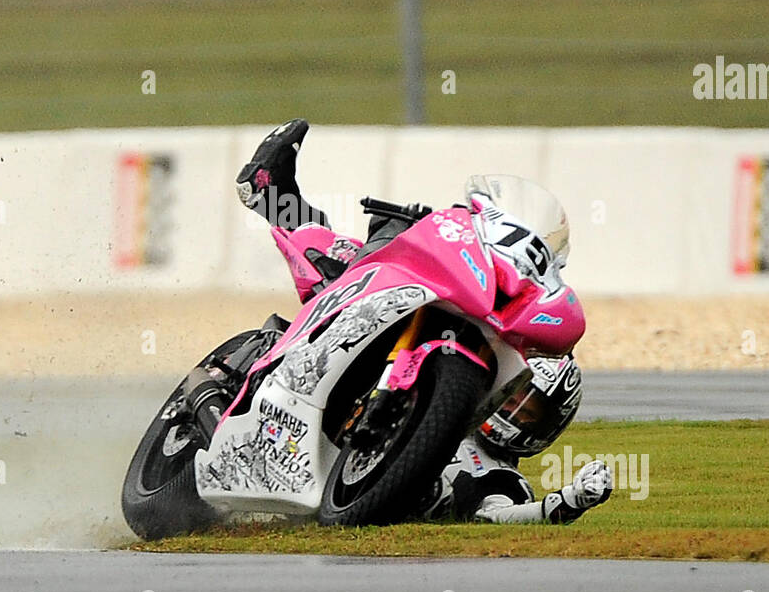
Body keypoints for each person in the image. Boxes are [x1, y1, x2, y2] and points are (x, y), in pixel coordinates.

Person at [236, 119, 613, 525]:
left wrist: (568, 502)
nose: (513, 414)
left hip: (371, 498)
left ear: (546, 432)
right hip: (393, 342)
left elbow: (503, 517)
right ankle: (271, 194)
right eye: (516, 401)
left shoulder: (500, 479)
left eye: (529, 413)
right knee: (353, 258)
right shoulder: (459, 378)